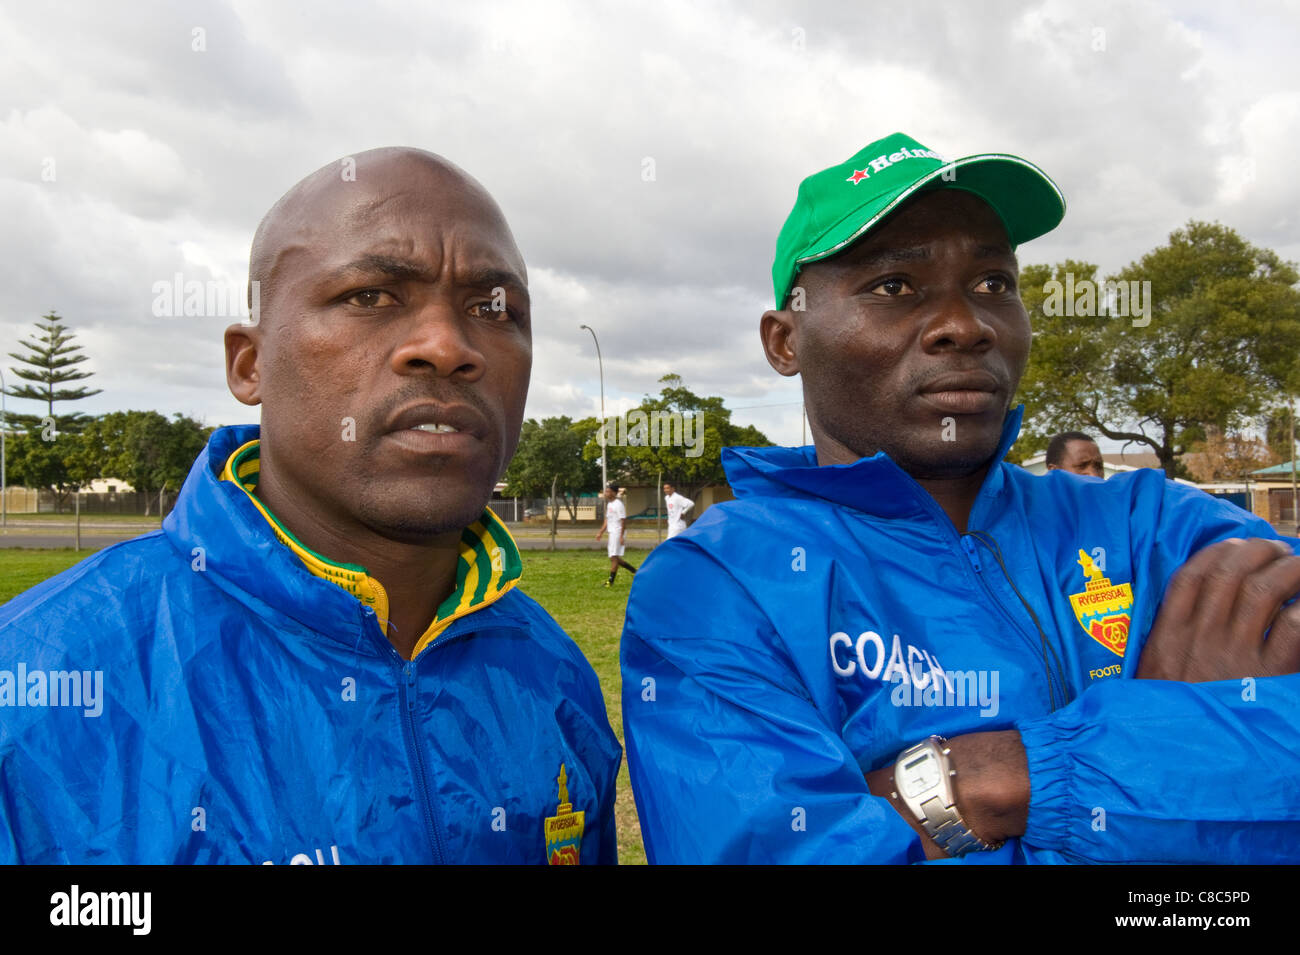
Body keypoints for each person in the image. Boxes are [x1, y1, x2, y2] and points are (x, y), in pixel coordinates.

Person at [620, 131, 1300, 864]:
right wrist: (1182, 747)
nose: (965, 324)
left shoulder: (1150, 523)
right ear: (785, 341)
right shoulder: (716, 585)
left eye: (992, 284)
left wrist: (1004, 777)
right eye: (894, 286)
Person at [0, 147, 621, 864]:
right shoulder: (39, 693)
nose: (448, 346)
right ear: (249, 362)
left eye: (494, 308)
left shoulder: (555, 677)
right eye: (371, 296)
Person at [595, 483, 637, 586]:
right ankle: (635, 571)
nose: (606, 493)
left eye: (608, 491)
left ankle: (610, 581)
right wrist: (600, 532)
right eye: (606, 491)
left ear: (614, 493)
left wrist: (621, 536)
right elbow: (607, 520)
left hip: (617, 532)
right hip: (612, 532)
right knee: (613, 557)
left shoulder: (619, 505)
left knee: (614, 557)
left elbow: (623, 521)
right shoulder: (610, 504)